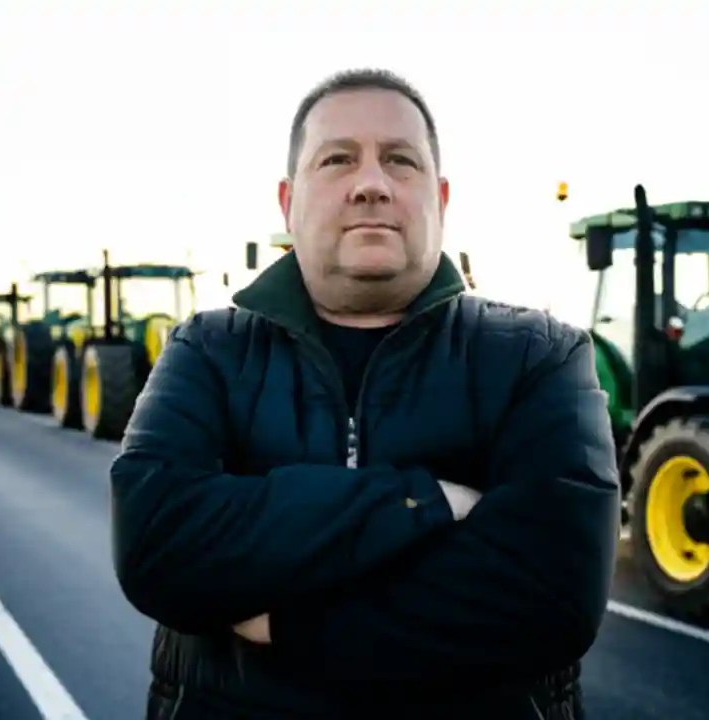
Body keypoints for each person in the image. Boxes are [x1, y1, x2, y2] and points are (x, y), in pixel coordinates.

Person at [109, 68, 620, 720]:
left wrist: (285, 623)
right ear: (288, 201)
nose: (371, 184)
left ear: (439, 196)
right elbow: (156, 543)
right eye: (339, 159)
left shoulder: (538, 355)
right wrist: (422, 501)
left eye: (399, 161)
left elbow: (551, 597)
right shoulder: (207, 351)